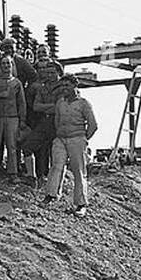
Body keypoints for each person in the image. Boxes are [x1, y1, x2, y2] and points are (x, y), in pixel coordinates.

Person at [42, 76, 98, 215]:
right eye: (62, 85)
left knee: (79, 171)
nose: (64, 88)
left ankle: (80, 204)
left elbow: (93, 125)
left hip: (77, 139)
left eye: (67, 85)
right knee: (56, 166)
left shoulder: (83, 103)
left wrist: (83, 139)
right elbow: (57, 121)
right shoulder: (60, 102)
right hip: (61, 139)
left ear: (74, 85)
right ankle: (51, 195)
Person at [0, 55, 28, 178]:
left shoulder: (16, 82)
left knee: (12, 145)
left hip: (12, 117)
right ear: (0, 66)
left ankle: (12, 172)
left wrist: (22, 119)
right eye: (3, 63)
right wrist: (0, 95)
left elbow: (21, 103)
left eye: (8, 63)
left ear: (12, 66)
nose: (6, 66)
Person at [24, 60, 64, 181]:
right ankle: (32, 177)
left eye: (52, 72)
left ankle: (54, 182)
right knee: (28, 147)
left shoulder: (63, 87)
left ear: (59, 73)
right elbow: (36, 106)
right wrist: (52, 106)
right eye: (48, 73)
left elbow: (60, 107)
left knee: (55, 153)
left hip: (58, 123)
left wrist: (46, 107)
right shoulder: (42, 88)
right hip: (44, 122)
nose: (50, 75)